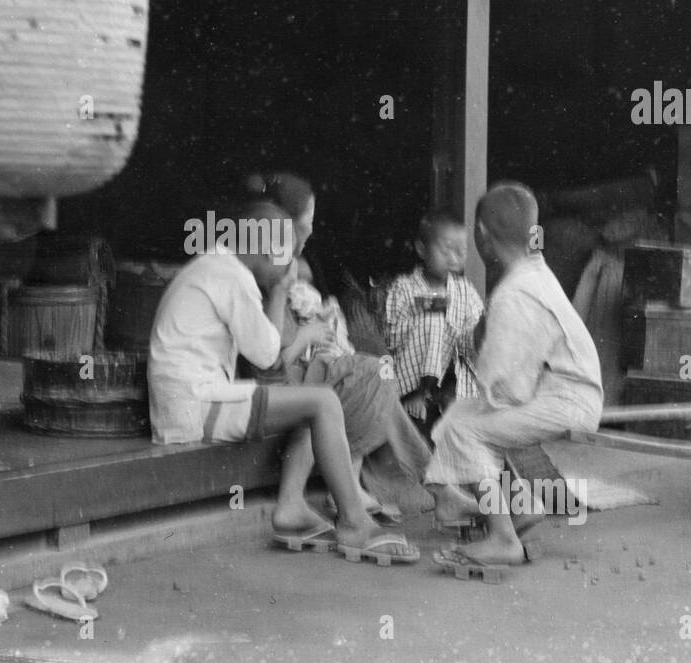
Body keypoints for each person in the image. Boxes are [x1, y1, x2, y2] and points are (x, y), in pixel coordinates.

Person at [148, 195, 418, 565]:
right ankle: (355, 523)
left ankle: (290, 508)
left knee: (306, 402)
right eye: (285, 257)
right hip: (197, 406)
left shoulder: (214, 266)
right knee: (322, 402)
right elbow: (266, 354)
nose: (290, 267)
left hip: (192, 402)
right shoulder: (232, 276)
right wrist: (277, 291)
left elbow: (267, 357)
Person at [245, 172, 480, 528]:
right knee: (374, 375)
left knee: (378, 377)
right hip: (287, 383)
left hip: (310, 373)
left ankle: (436, 493)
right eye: (306, 223)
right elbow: (270, 362)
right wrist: (309, 335)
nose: (310, 231)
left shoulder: (291, 267)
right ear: (286, 226)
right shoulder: (265, 271)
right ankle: (430, 493)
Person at [428, 182, 604, 572]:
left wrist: (474, 350)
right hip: (565, 392)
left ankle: (502, 538)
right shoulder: (533, 273)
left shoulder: (515, 294)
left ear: (482, 236)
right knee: (463, 415)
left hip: (567, 401)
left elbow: (504, 388)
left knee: (466, 430)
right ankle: (517, 508)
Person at [384, 210, 484, 428]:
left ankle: (455, 400)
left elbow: (474, 333)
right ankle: (419, 395)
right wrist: (420, 317)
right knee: (433, 321)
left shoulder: (465, 290)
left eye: (461, 252)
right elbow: (391, 336)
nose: (454, 258)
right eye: (446, 250)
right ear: (421, 249)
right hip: (413, 376)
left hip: (451, 372)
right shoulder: (404, 288)